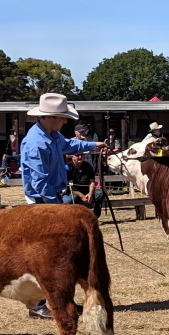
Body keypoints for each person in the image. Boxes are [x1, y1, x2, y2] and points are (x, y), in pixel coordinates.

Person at [22, 93, 107, 320]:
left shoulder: (52, 135)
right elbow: (39, 182)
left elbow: (69, 145)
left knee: (54, 254)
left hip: (51, 199)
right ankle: (40, 304)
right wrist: (57, 208)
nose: (65, 122)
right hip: (42, 202)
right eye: (62, 117)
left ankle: (51, 301)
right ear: (50, 117)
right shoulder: (36, 143)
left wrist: (93, 145)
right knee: (46, 255)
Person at [63, 150, 105, 217]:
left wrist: (90, 193)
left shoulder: (88, 166)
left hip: (87, 191)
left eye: (81, 155)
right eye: (77, 155)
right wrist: (82, 196)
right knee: (73, 198)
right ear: (72, 157)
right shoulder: (67, 168)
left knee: (99, 194)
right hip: (73, 191)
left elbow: (92, 182)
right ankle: (76, 217)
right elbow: (69, 186)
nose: (80, 157)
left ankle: (95, 217)